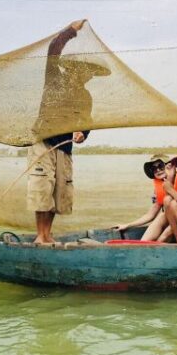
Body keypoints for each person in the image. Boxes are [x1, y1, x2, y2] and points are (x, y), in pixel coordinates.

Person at [27, 20, 110, 244]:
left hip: (64, 147)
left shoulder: (85, 97)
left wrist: (83, 133)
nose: (88, 76)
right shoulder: (54, 79)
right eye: (86, 71)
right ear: (74, 68)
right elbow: (53, 50)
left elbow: (86, 123)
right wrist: (70, 31)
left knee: (58, 192)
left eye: (91, 73)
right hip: (44, 142)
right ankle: (41, 235)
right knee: (42, 186)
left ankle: (48, 233)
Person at [112, 154, 177, 241]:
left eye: (161, 166)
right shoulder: (158, 188)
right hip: (169, 219)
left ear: (170, 166)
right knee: (162, 216)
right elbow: (151, 215)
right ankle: (143, 244)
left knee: (165, 223)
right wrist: (128, 224)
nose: (158, 170)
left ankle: (154, 246)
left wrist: (170, 179)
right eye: (154, 169)